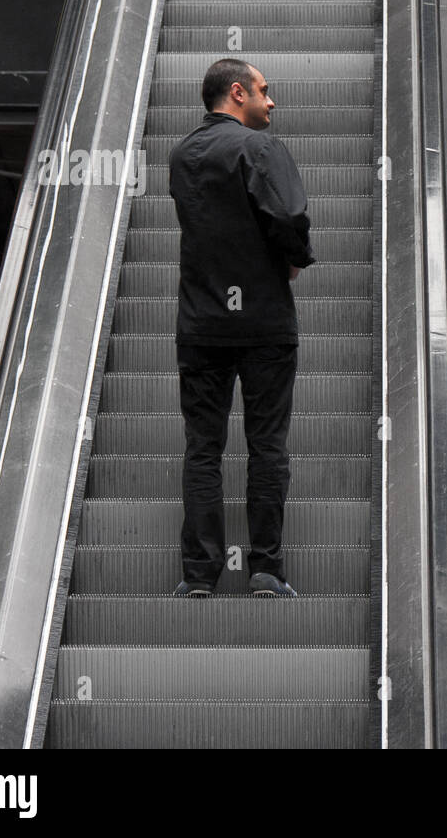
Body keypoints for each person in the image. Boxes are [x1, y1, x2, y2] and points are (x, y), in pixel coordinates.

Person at [167, 58, 314, 597]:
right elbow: (289, 215)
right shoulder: (260, 149)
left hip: (201, 322)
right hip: (264, 323)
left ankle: (199, 575)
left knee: (202, 449)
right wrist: (295, 257)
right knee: (266, 447)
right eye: (264, 91)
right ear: (237, 93)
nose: (270, 102)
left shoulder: (181, 156)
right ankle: (266, 571)